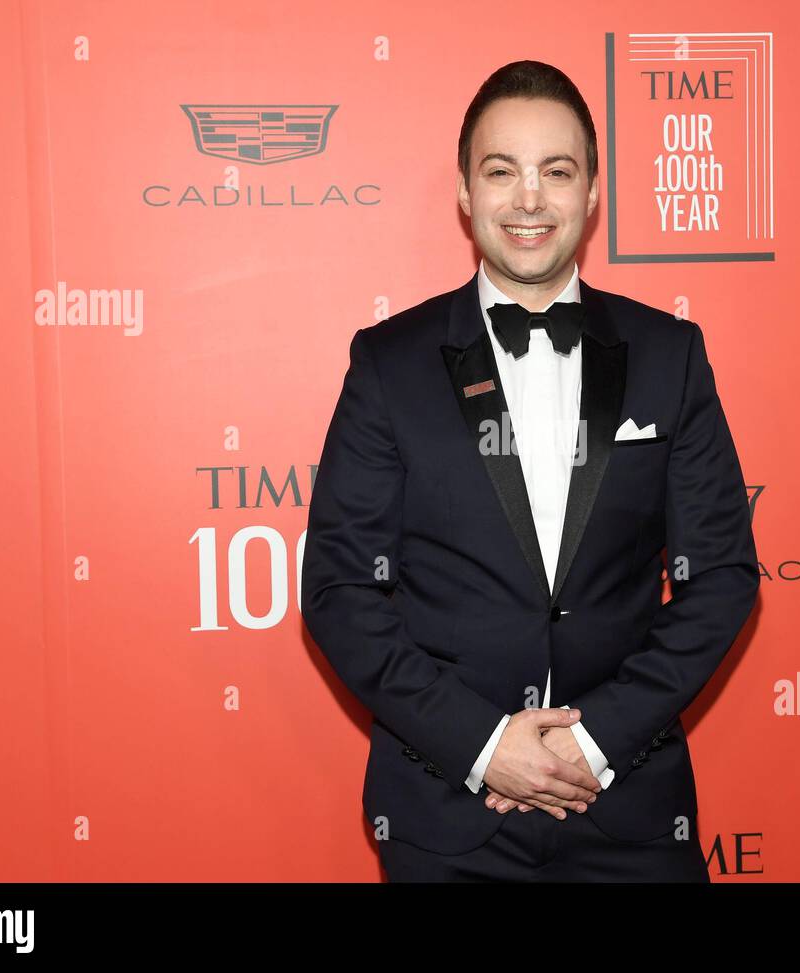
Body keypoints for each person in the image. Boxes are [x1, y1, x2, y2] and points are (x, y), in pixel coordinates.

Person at [300, 60, 759, 882]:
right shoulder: (388, 365)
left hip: (629, 812)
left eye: (557, 170)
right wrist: (483, 745)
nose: (529, 198)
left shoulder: (670, 356)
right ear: (466, 193)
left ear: (590, 193)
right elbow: (340, 590)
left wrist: (592, 741)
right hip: (447, 814)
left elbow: (721, 577)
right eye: (501, 170)